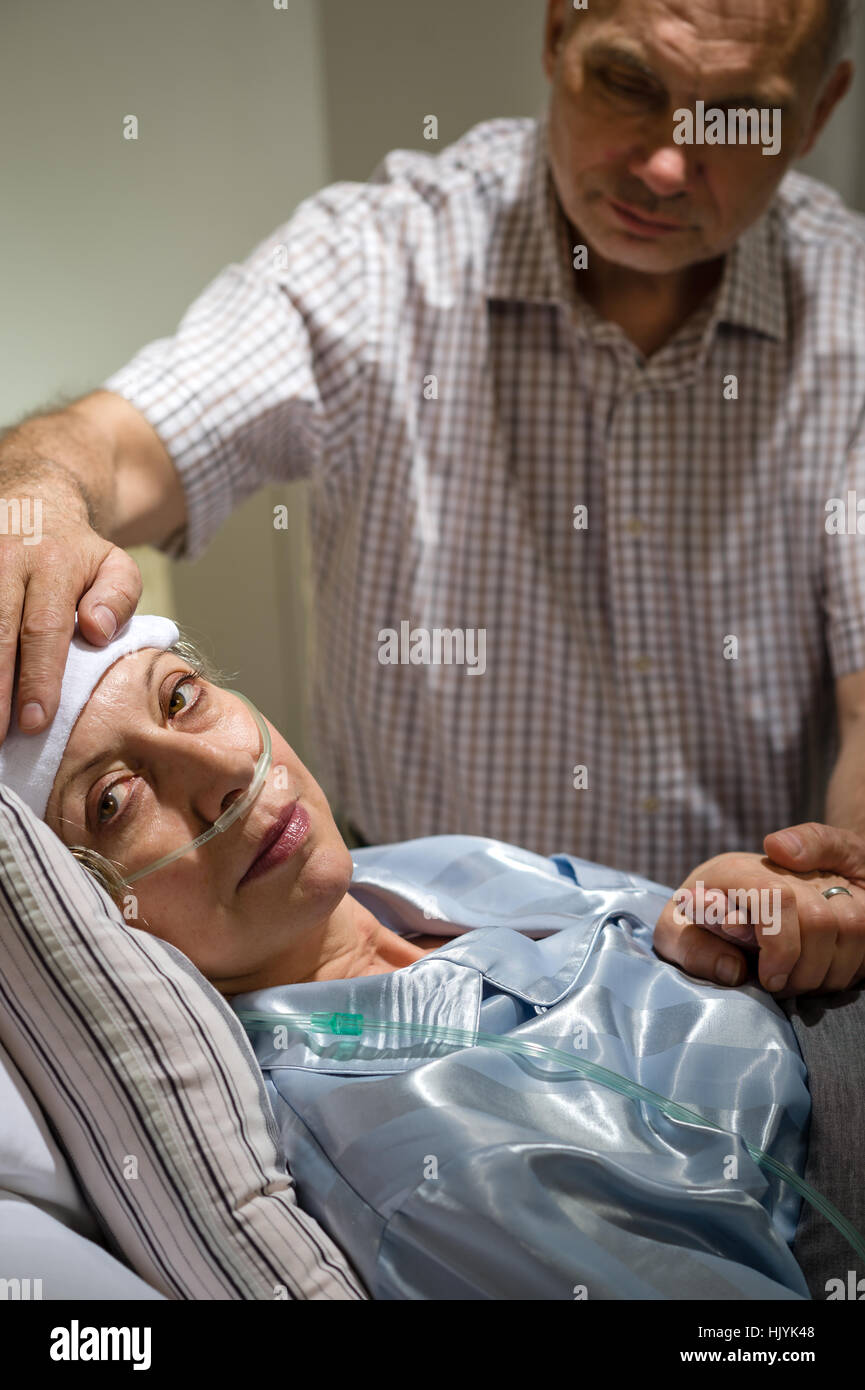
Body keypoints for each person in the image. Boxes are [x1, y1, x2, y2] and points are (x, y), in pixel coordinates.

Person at [1, 1, 864, 975]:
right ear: (554, 36)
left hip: (744, 963)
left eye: (736, 118)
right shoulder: (375, 261)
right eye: (628, 82)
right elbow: (118, 447)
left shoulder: (850, 316)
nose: (665, 163)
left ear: (820, 109)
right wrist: (31, 493)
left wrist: (835, 881)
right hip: (412, 964)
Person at [0, 613, 863, 1297]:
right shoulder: (423, 1165)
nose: (223, 773)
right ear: (87, 917)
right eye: (115, 800)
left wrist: (727, 911)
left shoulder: (409, 874)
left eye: (181, 697)